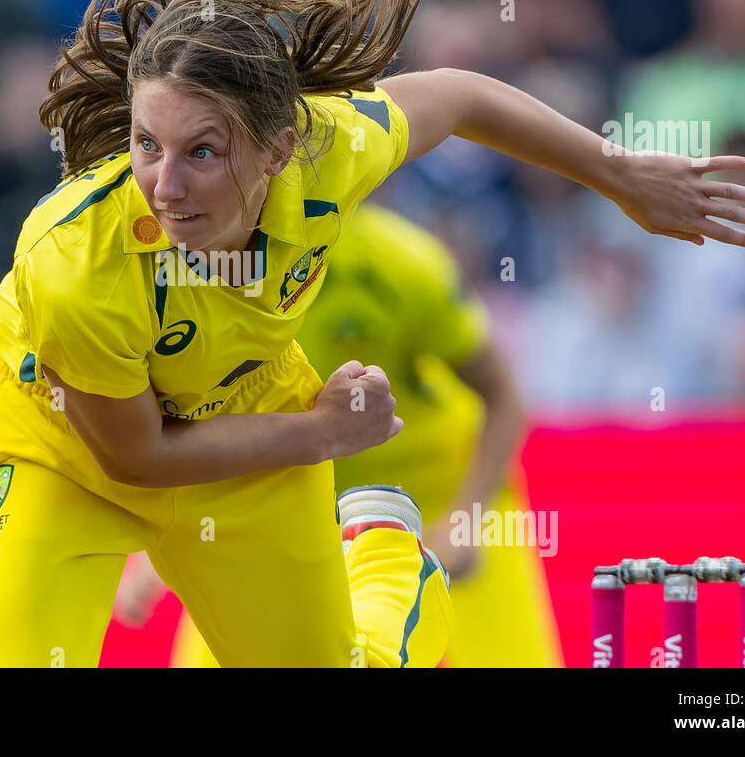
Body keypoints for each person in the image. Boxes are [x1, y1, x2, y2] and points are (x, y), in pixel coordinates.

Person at [0, 0, 745, 668]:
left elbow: (464, 96)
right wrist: (326, 434)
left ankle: (385, 557)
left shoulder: (328, 149)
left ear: (277, 148)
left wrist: (617, 173)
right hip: (58, 458)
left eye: (202, 151)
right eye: (146, 143)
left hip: (242, 427)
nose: (165, 184)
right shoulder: (74, 262)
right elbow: (137, 455)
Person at [118, 203, 563, 667]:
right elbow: (191, 425)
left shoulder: (403, 263)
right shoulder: (198, 275)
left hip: (440, 499)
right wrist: (167, 536)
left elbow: (504, 399)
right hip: (286, 508)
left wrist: (465, 519)